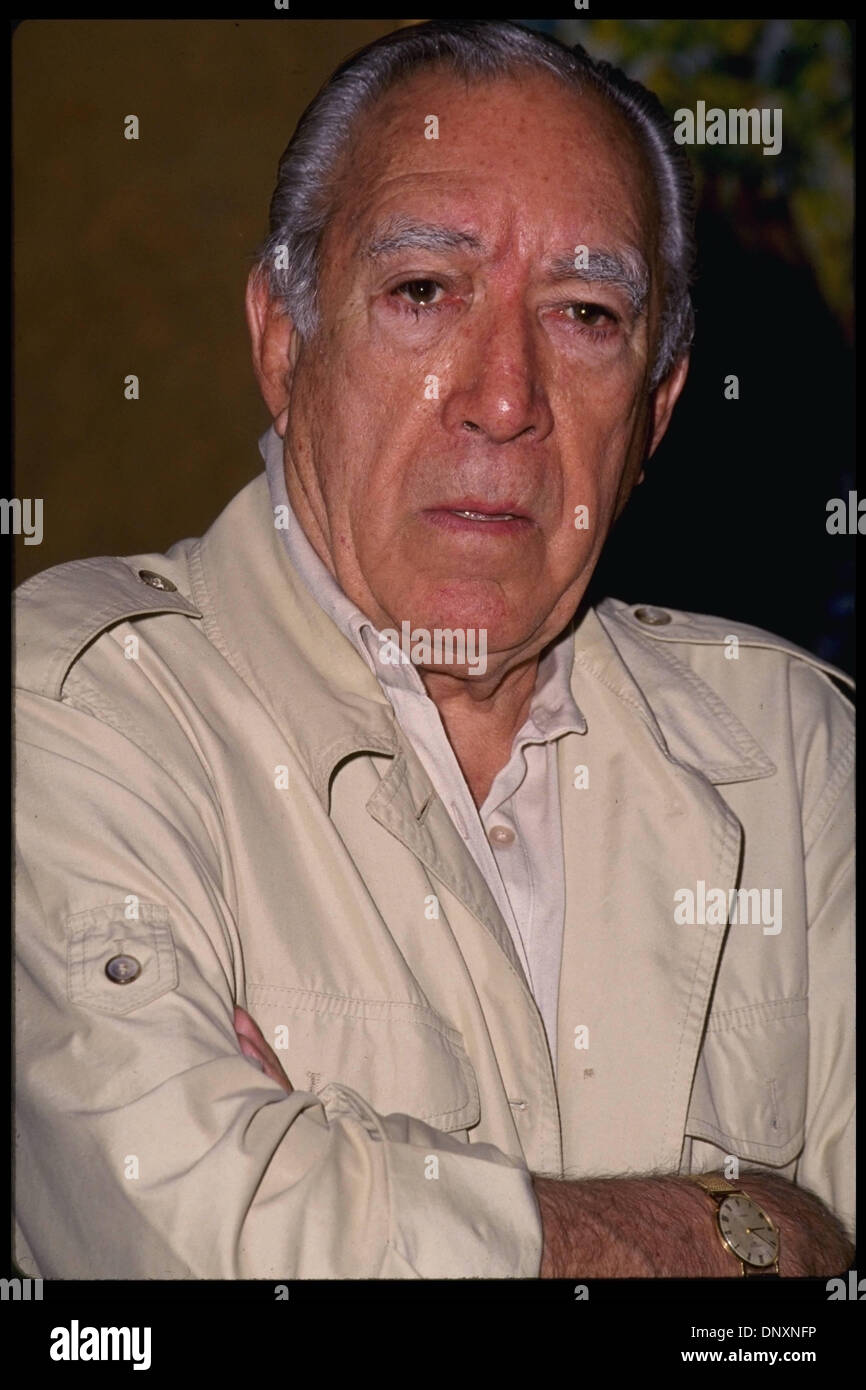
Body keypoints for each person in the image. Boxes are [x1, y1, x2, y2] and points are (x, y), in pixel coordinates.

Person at [14, 20, 854, 1280]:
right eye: (422, 291)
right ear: (283, 342)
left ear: (654, 412)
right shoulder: (75, 706)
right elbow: (195, 1250)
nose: (503, 394)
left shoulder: (791, 745)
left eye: (582, 313)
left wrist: (346, 1188)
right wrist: (754, 1231)